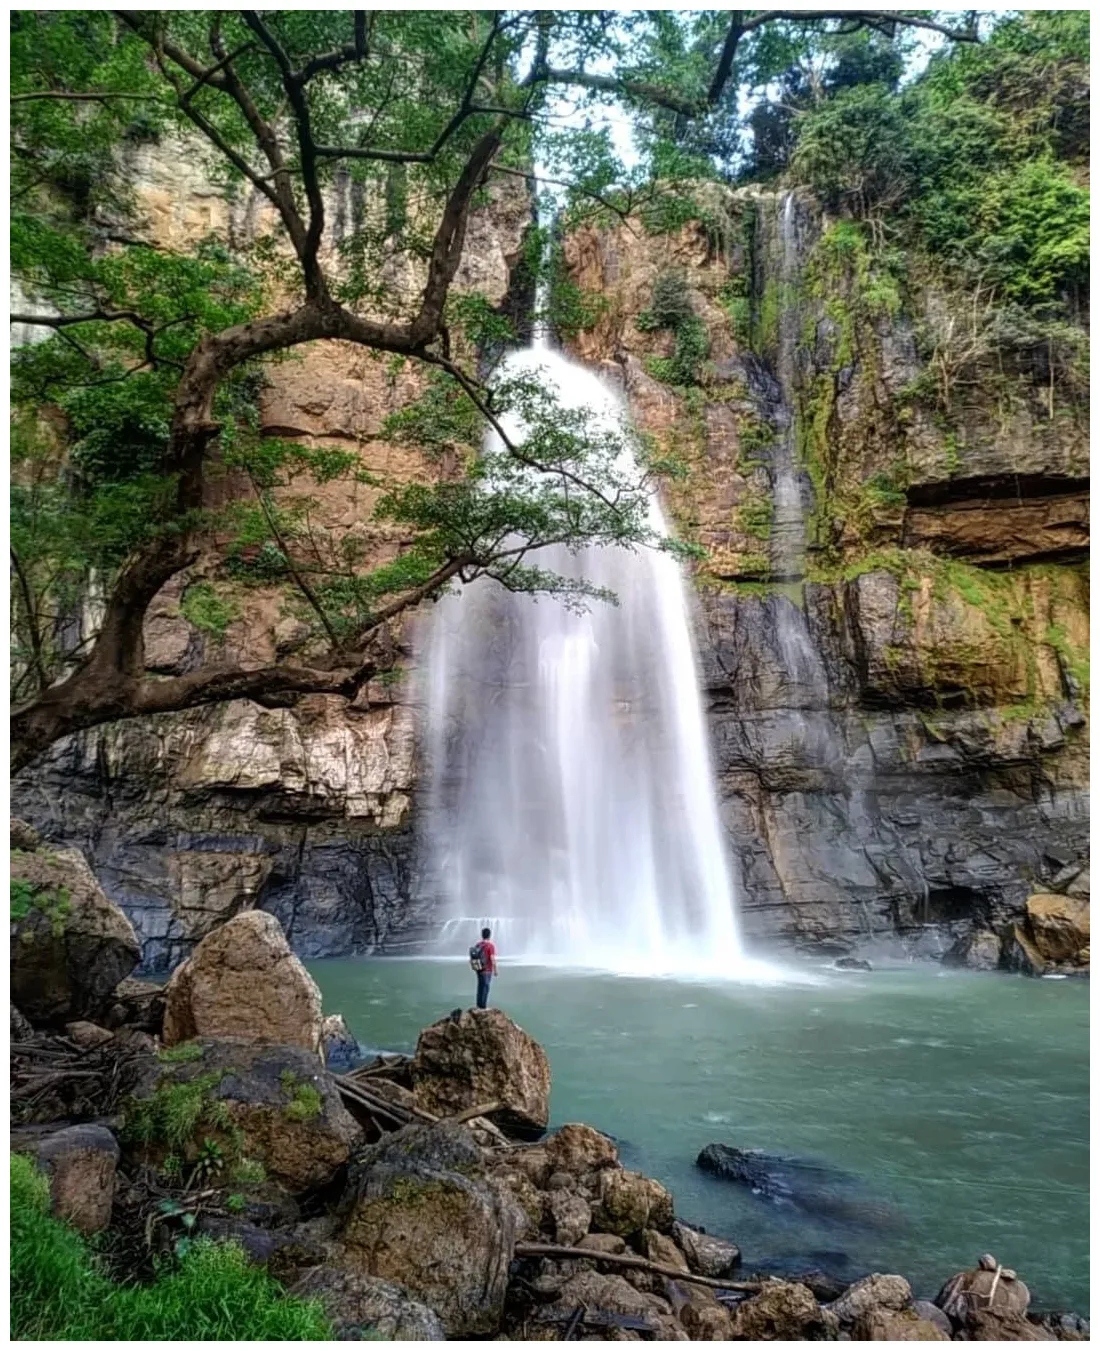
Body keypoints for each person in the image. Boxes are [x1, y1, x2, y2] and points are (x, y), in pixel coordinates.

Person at [471, 926, 497, 1009]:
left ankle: (478, 1005)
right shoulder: (490, 946)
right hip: (487, 970)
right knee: (486, 988)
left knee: (480, 987)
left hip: (479, 968)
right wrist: (495, 970)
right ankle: (483, 1007)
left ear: (482, 935)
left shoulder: (478, 945)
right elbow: (492, 959)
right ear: (489, 935)